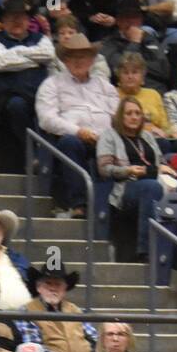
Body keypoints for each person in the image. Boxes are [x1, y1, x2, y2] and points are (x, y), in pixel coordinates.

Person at [34, 32, 119, 219]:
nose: (78, 60)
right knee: (69, 143)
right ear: (65, 60)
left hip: (106, 140)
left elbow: (118, 117)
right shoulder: (51, 84)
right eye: (73, 56)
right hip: (73, 139)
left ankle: (111, 207)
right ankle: (79, 204)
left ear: (91, 60)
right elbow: (46, 119)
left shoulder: (106, 87)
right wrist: (78, 131)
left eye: (83, 56)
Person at [0, 0, 54, 173]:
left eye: (21, 16)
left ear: (28, 19)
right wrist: (33, 57)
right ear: (3, 20)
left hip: (40, 96)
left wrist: (15, 55)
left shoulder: (41, 39)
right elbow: (0, 62)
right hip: (6, 99)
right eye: (11, 17)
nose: (16, 21)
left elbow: (49, 54)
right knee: (16, 105)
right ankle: (32, 153)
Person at [98, 96, 166, 260]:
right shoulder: (109, 135)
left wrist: (166, 168)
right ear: (120, 116)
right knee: (152, 187)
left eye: (137, 113)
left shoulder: (147, 136)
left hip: (154, 179)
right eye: (129, 113)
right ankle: (145, 249)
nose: (134, 117)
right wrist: (128, 171)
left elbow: (160, 161)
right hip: (126, 188)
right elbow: (104, 169)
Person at [25, 262, 96, 352]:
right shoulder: (28, 311)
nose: (53, 288)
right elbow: (32, 346)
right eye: (48, 283)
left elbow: (95, 339)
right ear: (39, 287)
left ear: (64, 289)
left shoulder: (75, 310)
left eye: (58, 284)